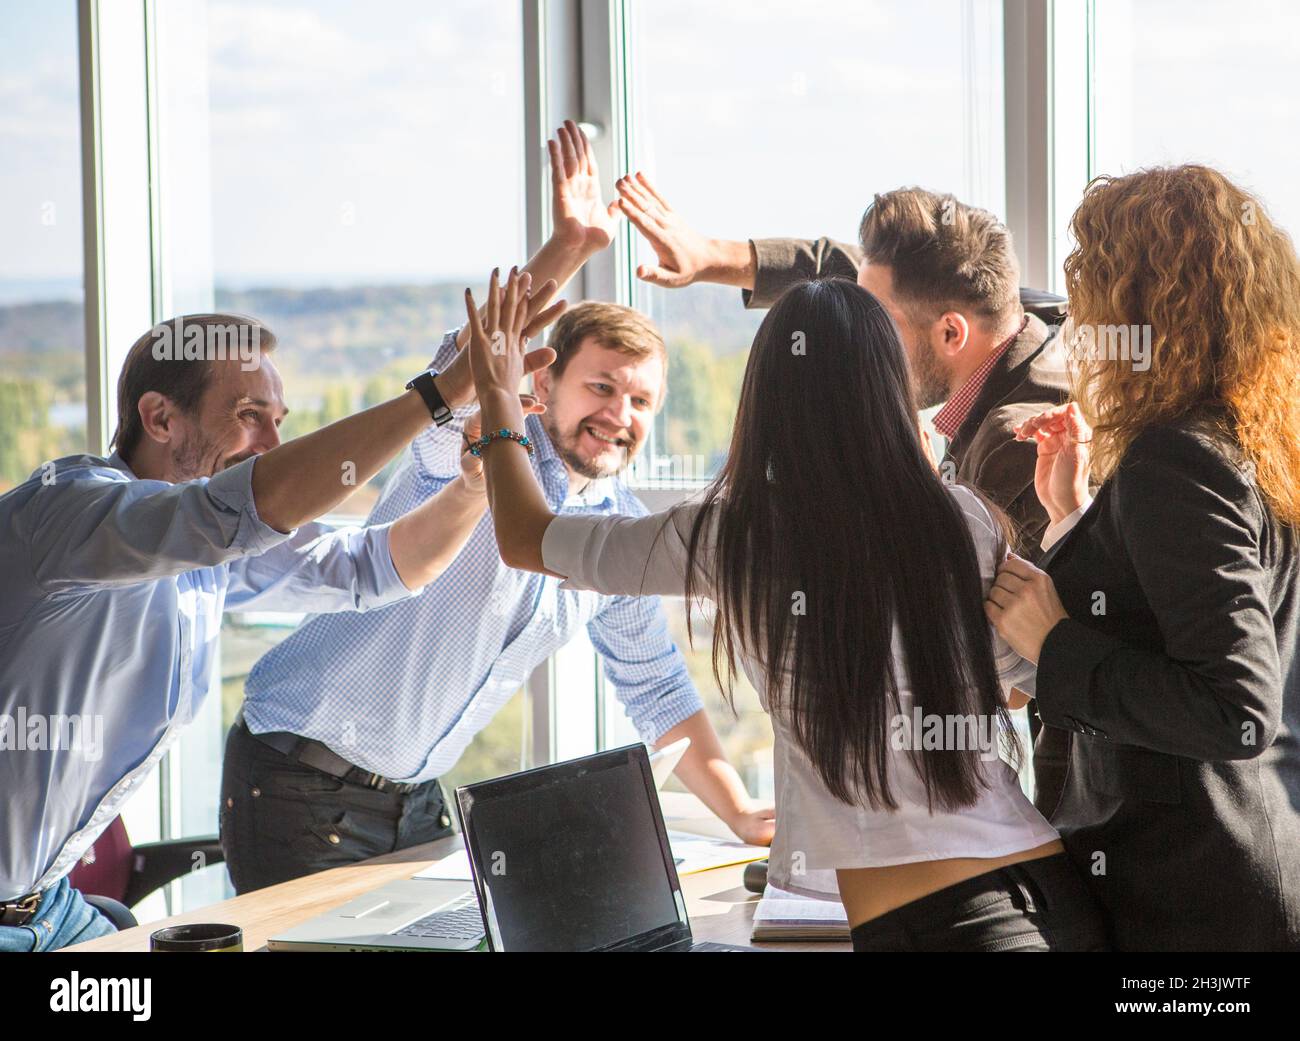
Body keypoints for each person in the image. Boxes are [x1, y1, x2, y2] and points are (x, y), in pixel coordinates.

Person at [465, 269, 1108, 952]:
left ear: (766, 397)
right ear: (890, 390)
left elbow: (526, 538)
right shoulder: (962, 519)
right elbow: (1017, 684)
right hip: (1052, 895)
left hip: (947, 929)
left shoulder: (731, 535)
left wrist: (499, 396)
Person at [221, 124, 774, 894]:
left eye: (642, 400)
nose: (620, 414)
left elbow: (656, 684)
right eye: (602, 387)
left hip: (416, 798)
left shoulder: (614, 531)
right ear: (542, 383)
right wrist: (570, 247)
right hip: (297, 780)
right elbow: (461, 366)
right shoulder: (474, 443)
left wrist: (741, 810)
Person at [0, 288, 562, 950]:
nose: (271, 442)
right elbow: (247, 508)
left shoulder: (200, 550)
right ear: (160, 418)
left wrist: (471, 484)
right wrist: (436, 396)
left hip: (49, 906)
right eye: (248, 416)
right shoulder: (69, 515)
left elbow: (373, 568)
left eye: (277, 420)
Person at [614, 175, 1075, 814]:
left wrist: (914, 482)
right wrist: (711, 257)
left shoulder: (1015, 442)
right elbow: (851, 273)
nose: (854, 340)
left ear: (949, 334)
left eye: (873, 326)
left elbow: (997, 666)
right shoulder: (1006, 312)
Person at [986, 164, 1300, 951]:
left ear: (1143, 308)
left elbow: (1235, 707)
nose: (1078, 325)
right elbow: (1176, 621)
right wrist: (1072, 517)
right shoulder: (1253, 444)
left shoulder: (1175, 457)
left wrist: (1053, 643)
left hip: (1196, 903)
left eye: (1092, 297)